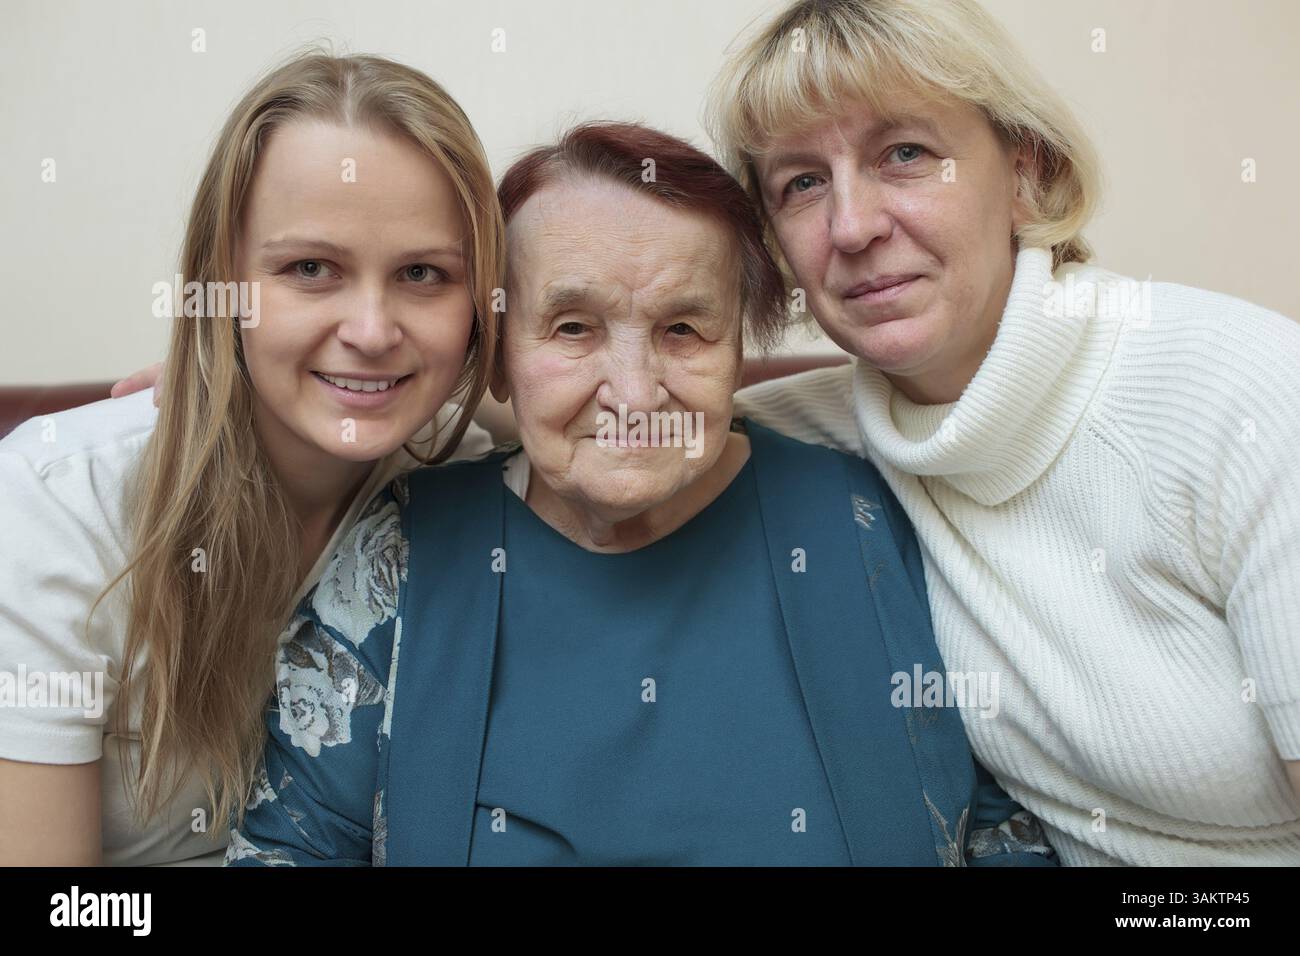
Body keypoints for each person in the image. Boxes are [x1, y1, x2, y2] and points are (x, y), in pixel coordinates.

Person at [227, 121, 1056, 866]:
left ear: (740, 348)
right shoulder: (397, 559)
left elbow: (1003, 829)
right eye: (574, 328)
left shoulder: (874, 524)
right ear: (497, 354)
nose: (634, 394)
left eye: (683, 330)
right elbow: (291, 850)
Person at [706, 0, 1300, 864]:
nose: (852, 226)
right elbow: (568, 430)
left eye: (904, 154)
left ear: (1027, 174)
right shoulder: (814, 433)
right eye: (801, 184)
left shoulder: (1245, 392)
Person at [0, 51, 504, 865]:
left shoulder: (465, 484)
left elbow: (664, 412)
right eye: (311, 269)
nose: (372, 331)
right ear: (221, 281)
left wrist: (472, 374)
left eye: (423, 274)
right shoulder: (54, 505)